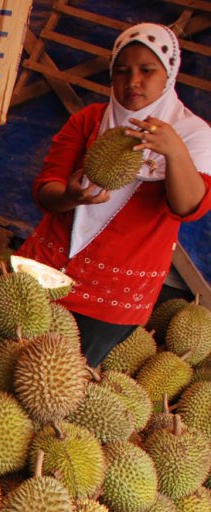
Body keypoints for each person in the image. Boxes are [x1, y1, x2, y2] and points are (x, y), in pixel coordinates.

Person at [17, 22, 211, 367]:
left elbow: (188, 207)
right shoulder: (90, 121)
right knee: (7, 361)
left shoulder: (193, 135)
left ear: (169, 74)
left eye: (147, 71)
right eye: (121, 71)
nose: (132, 81)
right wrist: (72, 196)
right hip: (43, 272)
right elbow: (46, 193)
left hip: (111, 298)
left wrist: (174, 152)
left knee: (60, 379)